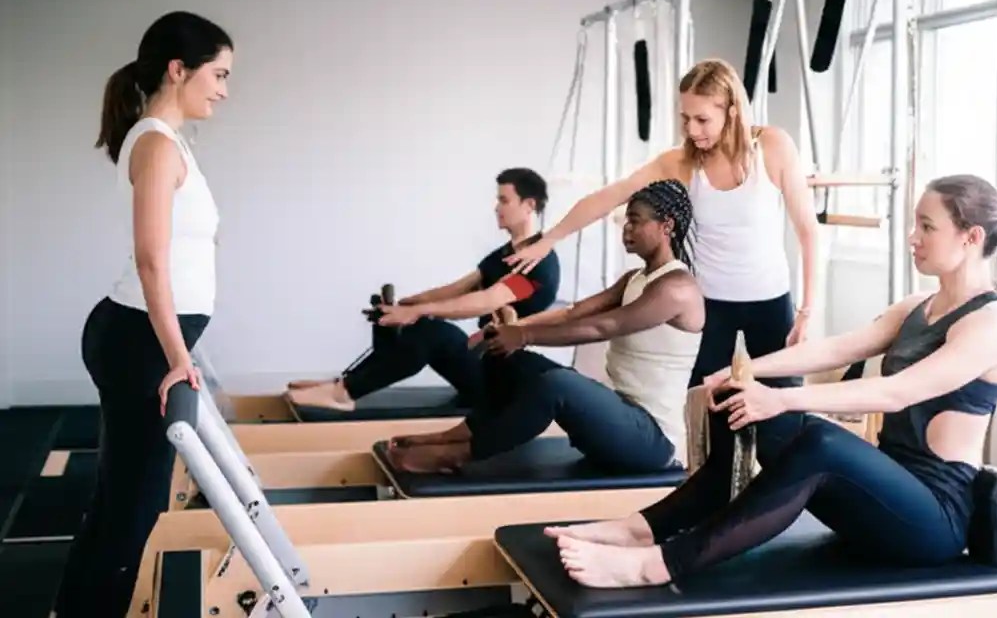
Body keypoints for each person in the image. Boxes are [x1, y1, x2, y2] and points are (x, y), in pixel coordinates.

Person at [541, 174, 997, 589]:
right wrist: (747, 373)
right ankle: (639, 531)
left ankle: (658, 566)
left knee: (817, 438)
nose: (913, 236)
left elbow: (896, 391)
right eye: (915, 224)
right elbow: (840, 347)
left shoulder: (990, 325)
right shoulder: (918, 307)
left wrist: (779, 398)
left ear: (971, 238)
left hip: (933, 521)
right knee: (750, 412)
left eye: (927, 227)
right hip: (884, 501)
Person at [55, 11, 234, 618]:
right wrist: (179, 358)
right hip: (139, 340)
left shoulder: (169, 139)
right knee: (135, 503)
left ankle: (78, 605)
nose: (224, 89)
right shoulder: (156, 141)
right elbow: (152, 259)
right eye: (218, 73)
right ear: (178, 69)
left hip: (141, 335)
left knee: (120, 495)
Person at [504, 58, 819, 390]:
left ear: (732, 111)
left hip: (771, 301)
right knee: (708, 408)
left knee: (782, 412)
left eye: (702, 119)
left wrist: (807, 311)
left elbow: (808, 231)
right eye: (685, 119)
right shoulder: (681, 163)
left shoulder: (772, 147)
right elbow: (611, 195)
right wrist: (550, 238)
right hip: (710, 305)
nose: (692, 130)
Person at [384, 179, 705, 475]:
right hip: (617, 419)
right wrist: (513, 330)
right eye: (626, 219)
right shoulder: (634, 279)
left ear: (667, 226)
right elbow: (573, 313)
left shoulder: (677, 288)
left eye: (636, 220)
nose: (626, 228)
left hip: (653, 441)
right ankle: (456, 435)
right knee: (510, 359)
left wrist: (523, 335)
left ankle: (459, 455)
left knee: (557, 384)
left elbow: (604, 326)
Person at [285, 168, 561, 410]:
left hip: (505, 379)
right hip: (483, 364)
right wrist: (404, 306)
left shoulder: (538, 262)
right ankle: (345, 384)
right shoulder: (503, 255)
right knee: (416, 322)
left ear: (528, 205)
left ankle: (344, 393)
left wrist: (417, 311)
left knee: (433, 332)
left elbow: (487, 300)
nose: (496, 208)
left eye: (504, 200)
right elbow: (457, 289)